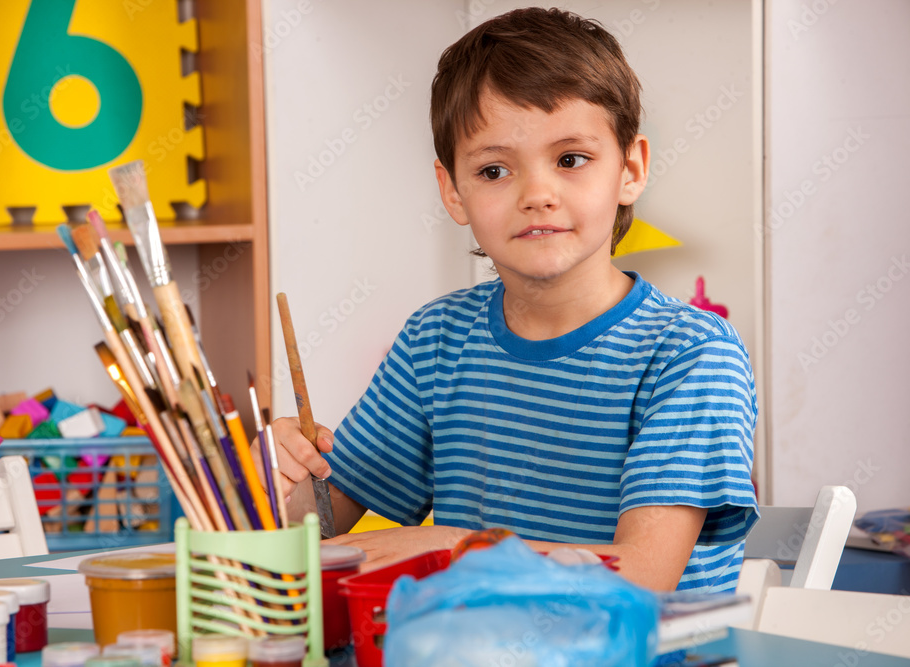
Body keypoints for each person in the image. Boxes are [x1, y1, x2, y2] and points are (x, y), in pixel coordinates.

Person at [261, 7, 757, 592]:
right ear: (453, 191)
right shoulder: (434, 340)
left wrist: (451, 548)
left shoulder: (692, 355)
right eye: (494, 170)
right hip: (471, 637)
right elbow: (317, 527)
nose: (537, 194)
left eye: (570, 160)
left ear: (630, 169)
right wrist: (278, 475)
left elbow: (643, 574)